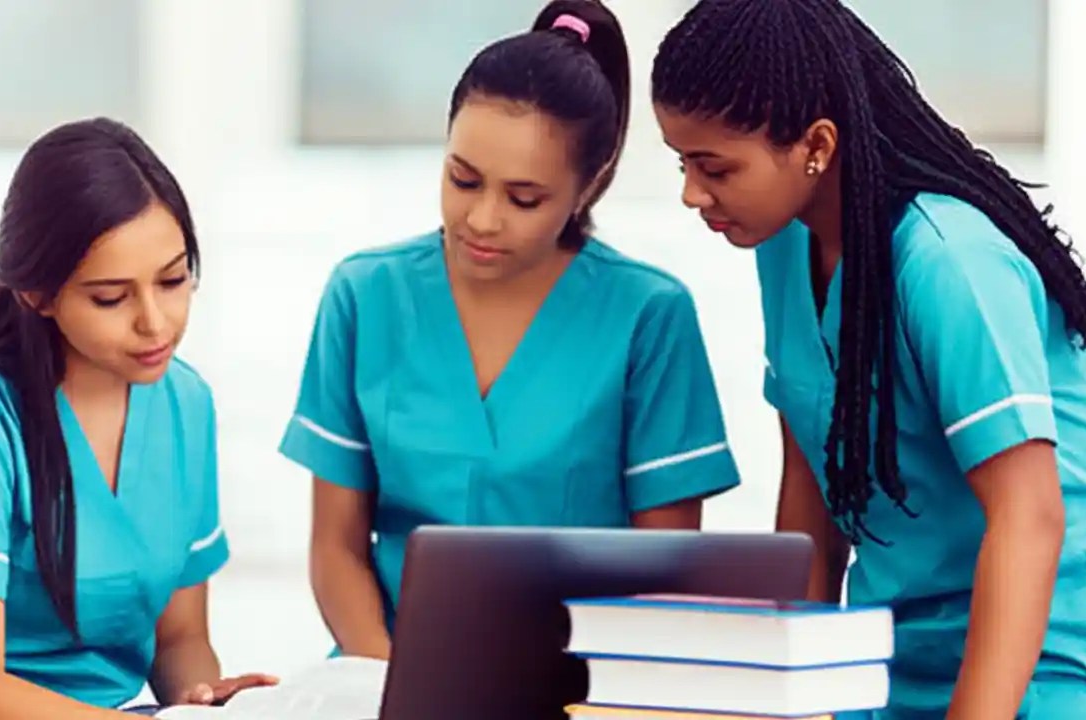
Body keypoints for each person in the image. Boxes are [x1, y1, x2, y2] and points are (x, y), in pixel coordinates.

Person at [649, 1, 1086, 718]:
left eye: (715, 168)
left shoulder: (951, 264)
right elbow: (811, 491)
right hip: (881, 667)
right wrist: (791, 693)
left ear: (817, 146)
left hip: (1045, 671)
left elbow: (1031, 516)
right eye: (682, 162)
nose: (691, 193)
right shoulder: (781, 243)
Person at [278, 0, 742, 662]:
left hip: (582, 687)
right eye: (462, 180)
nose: (483, 220)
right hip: (386, 677)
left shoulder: (649, 317)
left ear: (588, 185)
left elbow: (660, 574)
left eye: (525, 199)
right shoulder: (364, 296)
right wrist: (392, 683)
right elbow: (336, 548)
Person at [0, 118, 276, 719]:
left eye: (173, 280)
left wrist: (201, 702)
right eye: (111, 297)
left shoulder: (185, 404)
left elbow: (180, 640)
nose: (155, 321)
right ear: (37, 293)